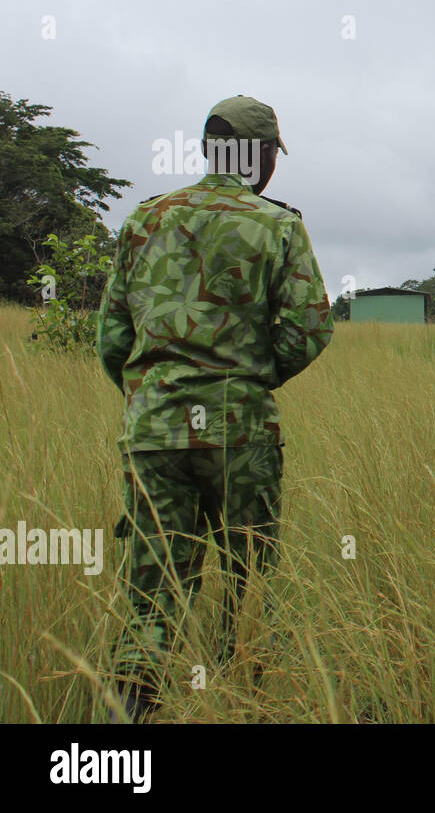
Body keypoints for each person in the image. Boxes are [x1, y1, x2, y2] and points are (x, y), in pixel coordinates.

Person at [97, 95, 333, 721]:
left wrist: (153, 395)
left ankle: (124, 738)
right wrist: (249, 381)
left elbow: (112, 338)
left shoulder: (146, 219)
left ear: (209, 148)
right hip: (241, 433)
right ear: (259, 157)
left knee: (152, 598)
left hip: (153, 433)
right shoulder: (278, 225)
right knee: (247, 591)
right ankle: (242, 707)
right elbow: (310, 329)